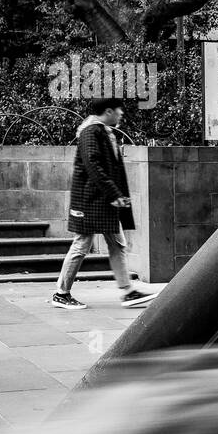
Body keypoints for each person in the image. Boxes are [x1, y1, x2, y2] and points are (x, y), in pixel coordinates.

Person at [51, 98, 156, 311]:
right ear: (108, 111)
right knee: (82, 244)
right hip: (91, 201)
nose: (121, 115)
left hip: (103, 202)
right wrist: (114, 193)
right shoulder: (92, 132)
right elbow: (93, 165)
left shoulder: (103, 132)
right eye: (119, 111)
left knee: (117, 244)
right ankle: (61, 293)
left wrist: (116, 196)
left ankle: (128, 291)